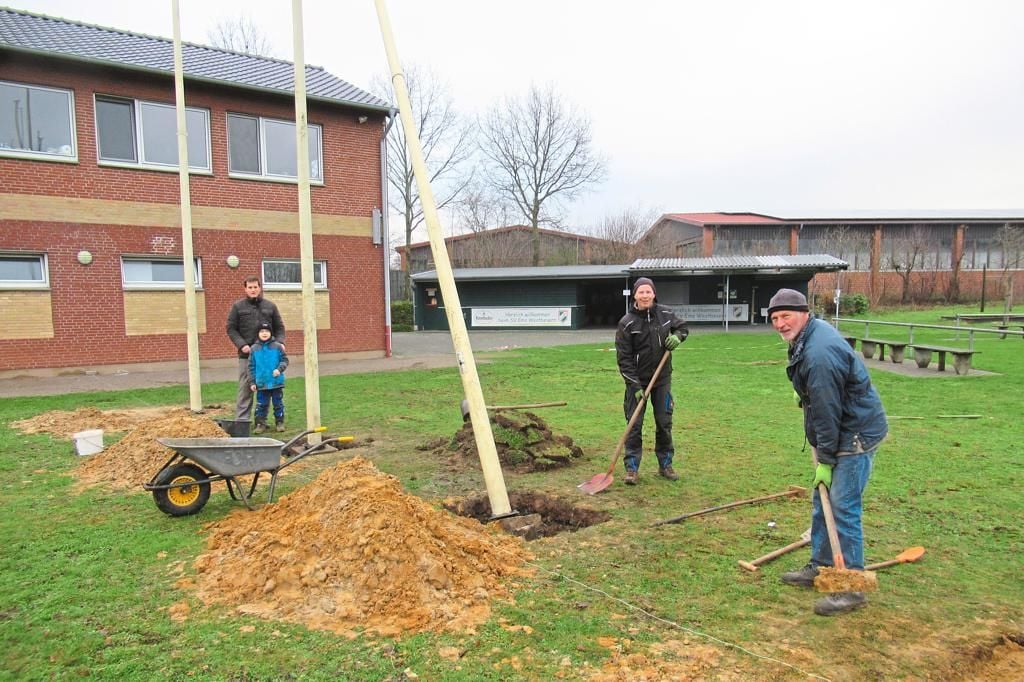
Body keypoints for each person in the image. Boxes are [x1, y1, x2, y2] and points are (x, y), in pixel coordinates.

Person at [768, 288, 888, 616]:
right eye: (775, 318)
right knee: (823, 499)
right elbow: (822, 394)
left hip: (855, 433)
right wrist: (805, 394)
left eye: (786, 316)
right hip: (844, 423)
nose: (780, 323)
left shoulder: (818, 352)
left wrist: (826, 460)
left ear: (804, 313)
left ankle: (851, 587)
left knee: (842, 506)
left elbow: (827, 410)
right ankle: (821, 565)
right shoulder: (810, 335)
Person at [615, 277, 689, 485]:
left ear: (654, 294)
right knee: (634, 425)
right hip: (637, 382)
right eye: (641, 292)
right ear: (635, 295)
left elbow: (682, 327)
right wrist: (635, 386)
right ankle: (632, 469)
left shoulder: (665, 314)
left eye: (648, 292)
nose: (645, 295)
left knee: (664, 423)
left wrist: (678, 337)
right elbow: (624, 359)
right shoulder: (627, 323)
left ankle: (665, 464)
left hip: (662, 380)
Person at [226, 276, 285, 421]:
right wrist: (242, 345)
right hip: (247, 356)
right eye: (250, 287)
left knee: (270, 388)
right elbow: (231, 328)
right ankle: (242, 421)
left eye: (255, 287)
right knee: (246, 388)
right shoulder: (238, 307)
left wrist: (279, 343)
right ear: (245, 289)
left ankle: (264, 421)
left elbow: (279, 327)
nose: (253, 290)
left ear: (260, 288)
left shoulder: (270, 306)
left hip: (269, 357)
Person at [248, 321, 289, 433]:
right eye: (262, 331)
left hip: (276, 382)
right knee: (261, 405)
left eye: (267, 331)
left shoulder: (277, 346)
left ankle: (279, 422)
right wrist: (252, 382)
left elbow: (284, 360)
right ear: (258, 333)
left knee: (278, 404)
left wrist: (279, 369)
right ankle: (260, 424)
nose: (264, 333)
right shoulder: (254, 349)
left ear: (271, 333)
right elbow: (251, 367)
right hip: (261, 383)